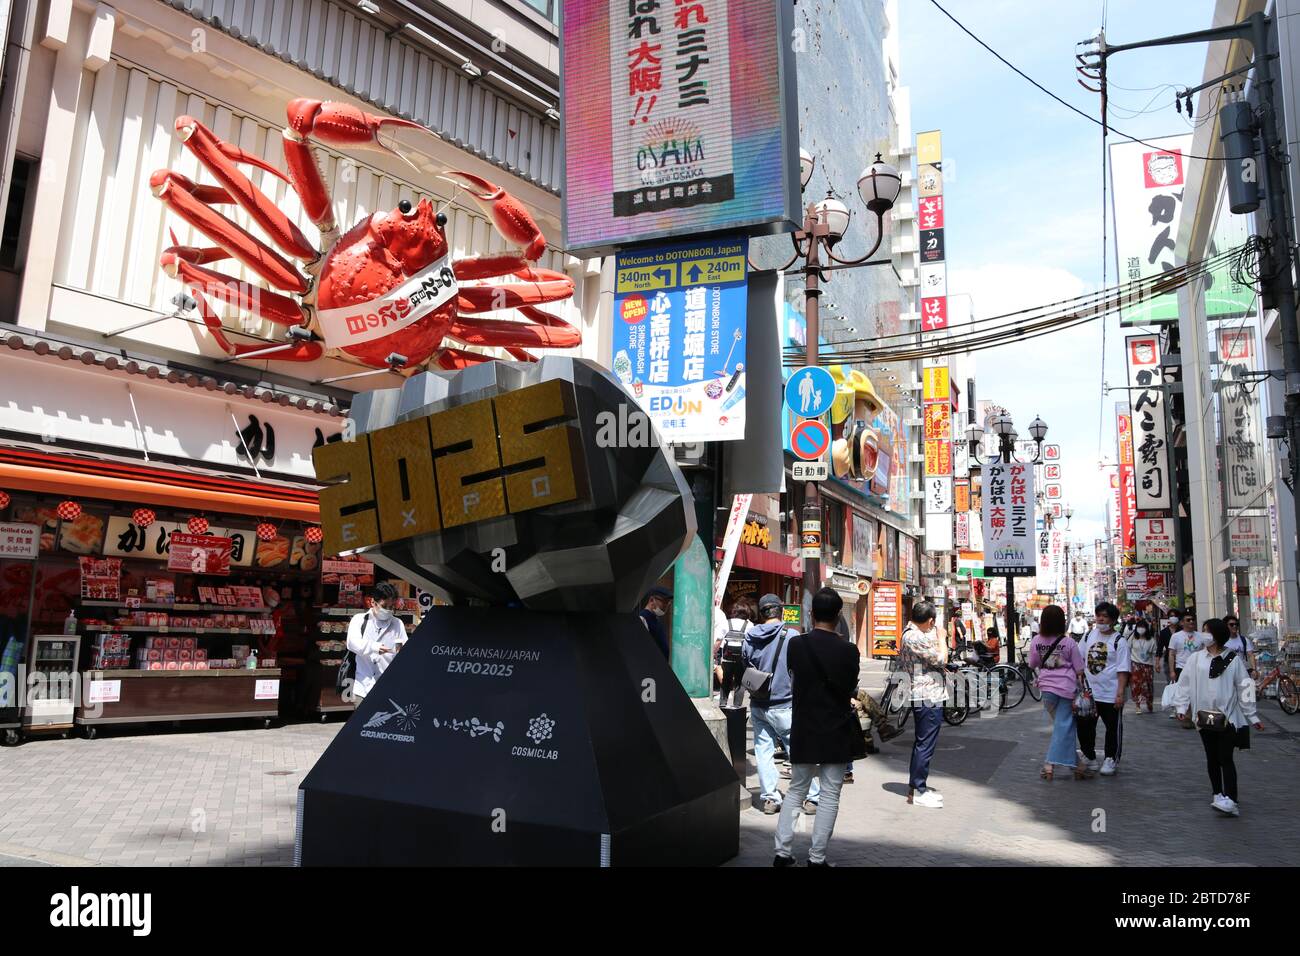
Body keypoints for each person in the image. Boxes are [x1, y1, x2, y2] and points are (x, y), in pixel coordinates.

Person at [773, 588, 865, 867]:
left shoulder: (796, 645)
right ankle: (817, 859)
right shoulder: (849, 651)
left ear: (811, 614)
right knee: (829, 794)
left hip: (804, 727)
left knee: (796, 790)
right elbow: (850, 688)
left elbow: (793, 677)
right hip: (835, 729)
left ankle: (782, 853)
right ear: (839, 617)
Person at [1173, 618, 1265, 816]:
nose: (1203, 634)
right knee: (1212, 757)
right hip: (1204, 717)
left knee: (1225, 757)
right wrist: (1181, 706)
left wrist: (1253, 716)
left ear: (1216, 635)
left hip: (1228, 716)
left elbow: (1245, 687)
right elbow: (1184, 684)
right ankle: (1217, 793)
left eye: (1207, 631)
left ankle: (1231, 799)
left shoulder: (1233, 660)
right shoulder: (1196, 659)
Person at [742, 595, 812, 816]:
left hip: (759, 703)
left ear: (762, 613)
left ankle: (770, 799)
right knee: (800, 752)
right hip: (786, 703)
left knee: (763, 753)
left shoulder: (749, 636)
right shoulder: (792, 636)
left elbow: (746, 663)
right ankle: (812, 797)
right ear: (781, 611)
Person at [1027, 605, 1088, 780]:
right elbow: (1079, 669)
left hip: (1046, 688)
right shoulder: (1069, 642)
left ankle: (1077, 765)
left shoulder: (1036, 641)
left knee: (1063, 726)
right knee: (1064, 726)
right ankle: (1050, 763)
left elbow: (1032, 663)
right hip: (1067, 689)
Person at [896, 600, 948, 808]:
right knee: (925, 744)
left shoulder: (912, 633)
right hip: (928, 694)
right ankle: (918, 790)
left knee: (923, 743)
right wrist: (942, 639)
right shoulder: (915, 636)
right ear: (930, 620)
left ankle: (917, 787)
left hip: (926, 693)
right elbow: (941, 659)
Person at [1075, 601, 1130, 776]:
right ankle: (1089, 757)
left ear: (1113, 620)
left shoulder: (1119, 641)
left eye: (1105, 616)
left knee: (1112, 728)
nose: (1100, 619)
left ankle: (1111, 758)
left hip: (1110, 693)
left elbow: (1123, 669)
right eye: (1099, 615)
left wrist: (1120, 693)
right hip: (1090, 693)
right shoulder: (1088, 635)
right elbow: (1079, 659)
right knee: (1085, 726)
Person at [344, 582, 408, 701]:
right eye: (385, 606)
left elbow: (403, 649)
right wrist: (374, 647)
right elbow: (352, 643)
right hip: (363, 685)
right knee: (362, 718)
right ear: (373, 602)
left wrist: (400, 650)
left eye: (392, 607)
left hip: (388, 686)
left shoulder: (397, 623)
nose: (388, 610)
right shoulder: (359, 620)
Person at [1167, 612, 1211, 719]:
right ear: (1182, 623)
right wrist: (1172, 671)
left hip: (1198, 668)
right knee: (1183, 692)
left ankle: (1195, 713)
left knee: (1196, 691)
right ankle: (1183, 713)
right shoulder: (1176, 636)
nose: (1191, 622)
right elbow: (1172, 654)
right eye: (1188, 620)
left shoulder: (1201, 636)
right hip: (1181, 667)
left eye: (1192, 619)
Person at [714, 597, 754, 709]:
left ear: (734, 612)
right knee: (740, 682)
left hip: (727, 658)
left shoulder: (726, 623)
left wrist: (713, 653)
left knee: (726, 680)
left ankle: (723, 704)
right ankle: (737, 706)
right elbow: (751, 643)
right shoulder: (749, 625)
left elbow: (718, 640)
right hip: (742, 659)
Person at [1127, 618, 1157, 714]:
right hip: (1135, 664)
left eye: (1143, 627)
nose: (1141, 629)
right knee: (1136, 685)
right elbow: (1127, 649)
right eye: (1139, 627)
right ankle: (1137, 705)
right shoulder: (1133, 638)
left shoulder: (1151, 640)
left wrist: (1156, 664)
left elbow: (1154, 653)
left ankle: (1149, 702)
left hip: (1147, 666)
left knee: (1148, 685)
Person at [639, 587, 672, 659]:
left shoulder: (656, 619)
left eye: (668, 603)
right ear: (651, 600)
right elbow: (641, 648)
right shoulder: (643, 618)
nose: (666, 606)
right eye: (664, 602)